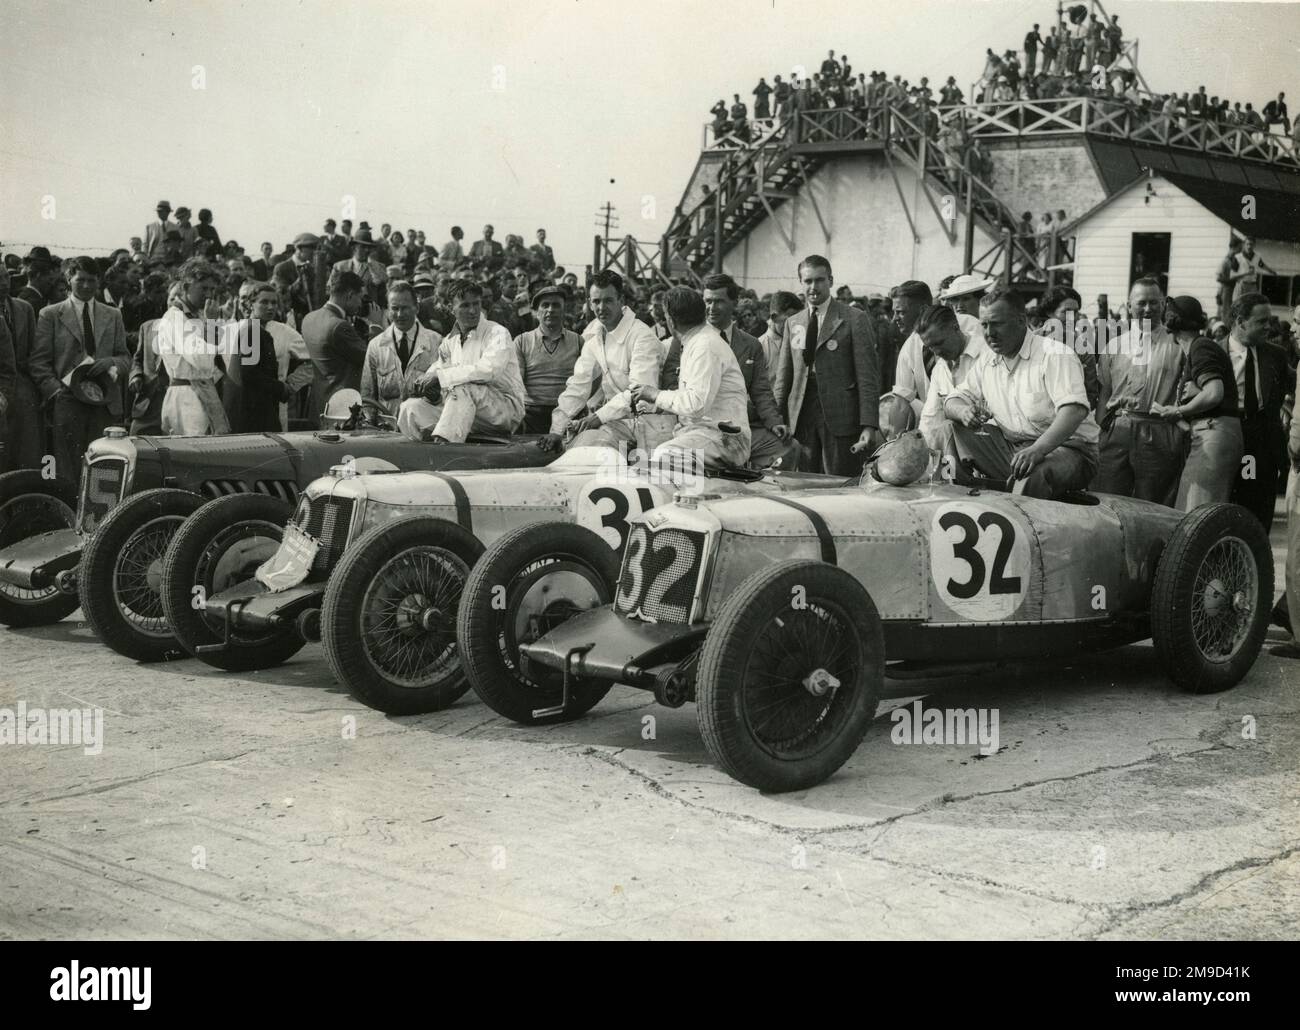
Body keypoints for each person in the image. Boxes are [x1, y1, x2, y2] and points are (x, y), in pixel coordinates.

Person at [941, 287, 1099, 500]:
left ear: (1021, 321)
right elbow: (952, 401)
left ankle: (1024, 527)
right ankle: (960, 502)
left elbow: (1074, 411)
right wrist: (963, 412)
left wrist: (1038, 449)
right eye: (985, 325)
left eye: (997, 324)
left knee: (1029, 472)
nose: (989, 333)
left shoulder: (1054, 354)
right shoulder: (988, 360)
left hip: (1069, 449)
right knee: (950, 429)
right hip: (1015, 449)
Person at [773, 255, 882, 475]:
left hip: (841, 416)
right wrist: (775, 418)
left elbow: (867, 376)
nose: (814, 287)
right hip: (801, 415)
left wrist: (869, 424)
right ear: (801, 283)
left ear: (830, 281)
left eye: (820, 280)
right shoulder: (793, 323)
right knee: (803, 480)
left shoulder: (854, 318)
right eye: (808, 281)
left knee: (839, 482)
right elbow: (784, 376)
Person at [29, 257, 129, 489]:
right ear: (68, 279)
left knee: (104, 465)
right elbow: (38, 362)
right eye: (80, 280)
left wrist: (110, 363)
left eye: (91, 281)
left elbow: (125, 357)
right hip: (68, 402)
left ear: (99, 281)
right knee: (68, 467)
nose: (86, 286)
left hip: (104, 404)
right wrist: (56, 392)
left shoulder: (112, 315)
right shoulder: (50, 314)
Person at [540, 270, 665, 453]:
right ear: (589, 303)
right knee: (573, 445)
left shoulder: (642, 336)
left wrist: (597, 418)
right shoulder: (594, 334)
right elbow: (578, 385)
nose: (601, 307)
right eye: (596, 301)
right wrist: (556, 430)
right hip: (613, 421)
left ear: (621, 301)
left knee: (590, 448)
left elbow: (640, 392)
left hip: (647, 424)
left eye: (608, 300)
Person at [629, 286, 750, 472]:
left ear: (670, 320)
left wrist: (654, 394)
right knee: (642, 449)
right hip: (705, 434)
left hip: (725, 439)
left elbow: (696, 404)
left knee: (665, 454)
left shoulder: (705, 345)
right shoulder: (697, 341)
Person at [1093, 278, 1187, 503]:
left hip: (1158, 431)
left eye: (1154, 303)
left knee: (1152, 502)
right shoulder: (1114, 345)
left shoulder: (1178, 345)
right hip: (1118, 428)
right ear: (1128, 305)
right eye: (1141, 302)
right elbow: (1105, 392)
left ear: (1164, 304)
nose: (1148, 309)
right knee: (1106, 498)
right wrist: (1101, 432)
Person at [397, 279, 525, 443]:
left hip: (504, 410)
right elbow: (437, 371)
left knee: (462, 386)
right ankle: (426, 453)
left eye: (476, 304)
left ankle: (446, 447)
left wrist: (440, 377)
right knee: (410, 408)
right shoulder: (449, 341)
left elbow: (488, 371)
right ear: (451, 309)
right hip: (465, 411)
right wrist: (428, 387)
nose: (472, 311)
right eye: (465, 305)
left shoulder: (498, 333)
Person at [1149, 296, 1243, 511]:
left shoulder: (1200, 348)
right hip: (1215, 431)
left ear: (1171, 322)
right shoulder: (1199, 348)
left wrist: (1178, 410)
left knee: (1195, 512)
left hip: (1213, 431)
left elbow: (1214, 393)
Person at [701, 273, 788, 467]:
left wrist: (774, 422)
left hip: (738, 428)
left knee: (787, 448)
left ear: (734, 302)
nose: (711, 308)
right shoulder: (687, 340)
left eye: (719, 301)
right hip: (700, 428)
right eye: (707, 301)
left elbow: (761, 391)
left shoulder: (750, 345)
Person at [1227, 292, 1288, 531]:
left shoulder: (1276, 356)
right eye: (1262, 321)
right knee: (1227, 506)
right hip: (1229, 436)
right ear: (1241, 321)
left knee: (1258, 514)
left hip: (1262, 445)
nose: (1269, 327)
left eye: (1270, 320)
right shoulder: (1215, 353)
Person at [152, 259, 229, 436]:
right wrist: (211, 323)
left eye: (212, 289)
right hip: (186, 396)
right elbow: (202, 360)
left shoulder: (197, 316)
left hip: (203, 391)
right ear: (186, 288)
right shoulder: (176, 318)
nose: (209, 294)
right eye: (203, 289)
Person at [360, 280, 440, 419]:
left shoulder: (436, 342)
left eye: (405, 308)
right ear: (387, 310)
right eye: (395, 308)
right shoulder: (376, 346)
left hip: (422, 429)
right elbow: (368, 396)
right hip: (386, 433)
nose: (399, 314)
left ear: (417, 308)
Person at [915, 304, 988, 450]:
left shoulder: (986, 354)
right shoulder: (940, 369)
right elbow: (931, 419)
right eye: (930, 347)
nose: (936, 352)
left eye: (939, 343)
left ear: (955, 327)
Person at [302, 270, 369, 424]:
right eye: (360, 298)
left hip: (319, 403)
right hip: (341, 407)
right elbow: (369, 358)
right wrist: (376, 329)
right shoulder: (339, 326)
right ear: (350, 295)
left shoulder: (309, 318)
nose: (361, 304)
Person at [514, 284, 582, 434]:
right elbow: (516, 384)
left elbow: (588, 380)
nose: (551, 310)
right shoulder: (522, 341)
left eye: (556, 305)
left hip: (567, 412)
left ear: (564, 310)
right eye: (545, 305)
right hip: (531, 414)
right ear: (537, 312)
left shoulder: (578, 341)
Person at [0, 268, 41, 469]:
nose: (3, 282)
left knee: (26, 447)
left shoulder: (24, 309)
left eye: (5, 276)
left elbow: (35, 350)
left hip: (23, 384)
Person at [273, 233, 327, 325]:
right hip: (293, 320)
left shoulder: (317, 267)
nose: (315, 252)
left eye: (317, 248)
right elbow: (282, 294)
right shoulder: (282, 268)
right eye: (312, 248)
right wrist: (300, 281)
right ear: (299, 249)